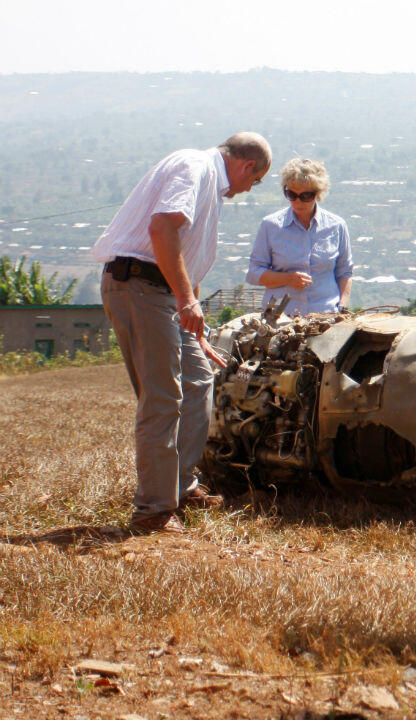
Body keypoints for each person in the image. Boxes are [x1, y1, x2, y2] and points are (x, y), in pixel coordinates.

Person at [92, 132, 272, 534]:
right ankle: (153, 511)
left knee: (198, 379)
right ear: (247, 167)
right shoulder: (195, 167)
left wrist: (192, 317)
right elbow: (162, 229)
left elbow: (180, 248)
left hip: (165, 294)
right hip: (140, 285)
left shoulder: (206, 177)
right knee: (162, 395)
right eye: (253, 182)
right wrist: (188, 301)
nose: (246, 190)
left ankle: (180, 484)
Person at [247, 158, 352, 315]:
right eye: (291, 194)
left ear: (318, 193)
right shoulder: (271, 225)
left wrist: (342, 306)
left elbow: (345, 272)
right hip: (282, 318)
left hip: (326, 316)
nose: (297, 201)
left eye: (305, 196)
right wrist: (288, 279)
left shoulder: (336, 226)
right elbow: (254, 274)